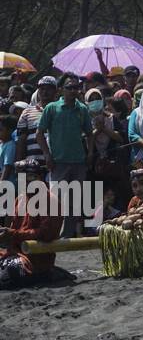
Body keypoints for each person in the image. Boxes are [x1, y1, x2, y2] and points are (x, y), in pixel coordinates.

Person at [36, 75, 93, 239]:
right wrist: (47, 155)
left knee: (74, 200)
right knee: (57, 200)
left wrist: (89, 153)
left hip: (78, 162)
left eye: (76, 87)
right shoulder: (52, 108)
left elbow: (90, 134)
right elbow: (39, 134)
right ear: (61, 90)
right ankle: (53, 232)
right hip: (58, 162)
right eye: (70, 87)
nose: (73, 90)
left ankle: (67, 235)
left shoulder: (82, 109)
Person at [0, 156, 62, 288]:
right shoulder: (20, 199)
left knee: (7, 275)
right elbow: (14, 231)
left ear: (38, 177)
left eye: (28, 177)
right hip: (14, 253)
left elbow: (46, 234)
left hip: (36, 262)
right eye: (21, 177)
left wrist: (12, 234)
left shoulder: (50, 200)